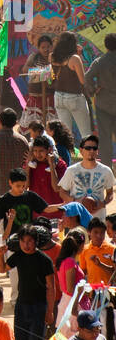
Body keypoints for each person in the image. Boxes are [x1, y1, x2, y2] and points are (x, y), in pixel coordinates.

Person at [0, 225, 57, 340]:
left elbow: (51, 287)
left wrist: (49, 311)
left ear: (35, 242)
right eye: (23, 241)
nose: (26, 245)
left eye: (29, 241)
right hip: (21, 306)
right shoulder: (18, 256)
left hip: (39, 307)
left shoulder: (44, 260)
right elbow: (2, 269)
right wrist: (0, 255)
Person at [58, 133, 115, 215]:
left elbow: (110, 193)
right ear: (81, 150)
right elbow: (62, 192)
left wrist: (103, 203)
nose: (91, 151)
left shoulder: (106, 170)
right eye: (88, 148)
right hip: (77, 218)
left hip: (98, 220)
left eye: (94, 148)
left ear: (97, 151)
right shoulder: (71, 170)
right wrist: (76, 202)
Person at [51, 32, 91, 141]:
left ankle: (66, 157)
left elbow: (52, 75)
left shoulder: (53, 57)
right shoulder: (75, 58)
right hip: (74, 97)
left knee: (65, 134)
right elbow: (82, 80)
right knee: (86, 133)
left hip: (58, 96)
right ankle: (89, 156)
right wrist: (80, 55)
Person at [87, 32, 116, 166]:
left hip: (103, 104)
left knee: (105, 139)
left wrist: (93, 90)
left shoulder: (100, 61)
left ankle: (107, 170)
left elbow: (87, 77)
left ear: (106, 46)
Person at [55, 231, 86, 328]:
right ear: (79, 245)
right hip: (73, 304)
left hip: (67, 301)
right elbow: (70, 289)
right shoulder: (70, 262)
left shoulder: (65, 261)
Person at [26, 137, 66, 207]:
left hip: (56, 211)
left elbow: (56, 188)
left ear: (49, 150)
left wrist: (52, 166)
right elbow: (25, 186)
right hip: (37, 211)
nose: (38, 154)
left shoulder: (60, 165)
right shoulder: (31, 165)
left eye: (41, 151)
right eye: (35, 151)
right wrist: (28, 164)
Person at [77, 216, 115, 286]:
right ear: (89, 232)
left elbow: (114, 272)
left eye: (102, 233)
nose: (99, 235)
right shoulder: (84, 250)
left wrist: (100, 265)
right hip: (93, 292)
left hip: (109, 291)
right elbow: (83, 272)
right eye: (95, 232)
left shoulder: (112, 249)